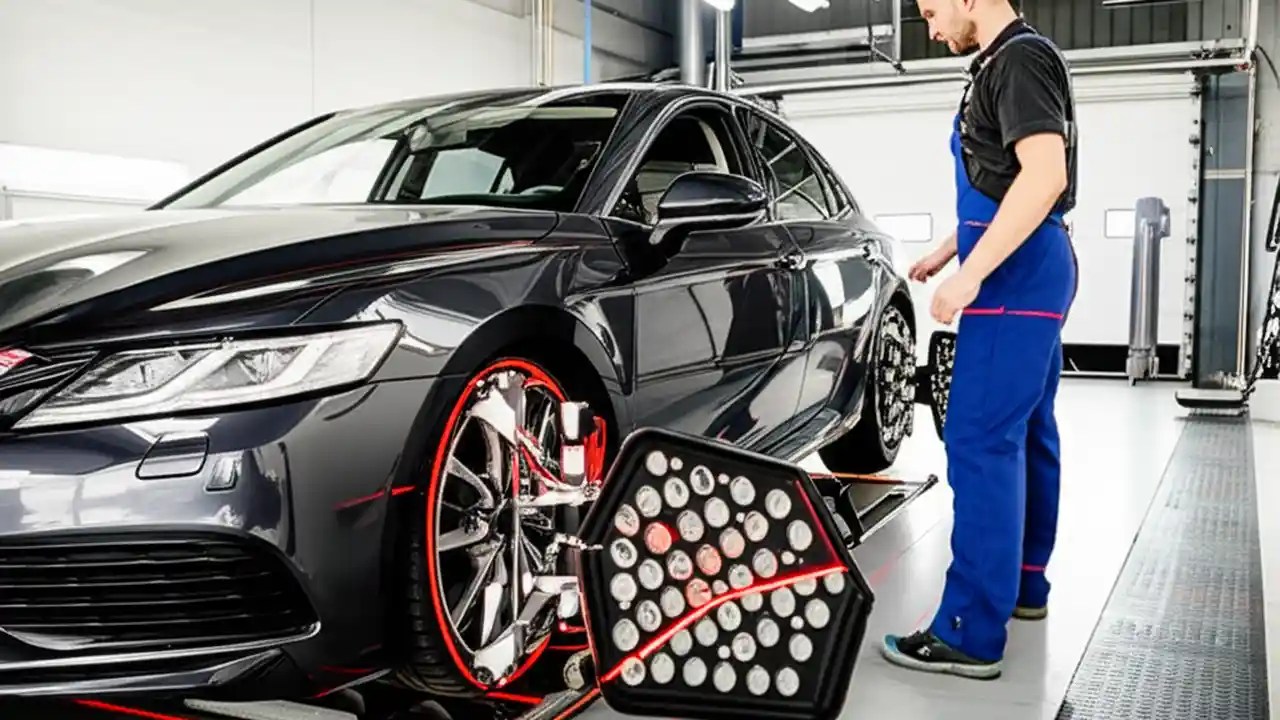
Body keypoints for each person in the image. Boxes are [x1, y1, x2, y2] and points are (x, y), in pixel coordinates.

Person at [879, 1, 1079, 681]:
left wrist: (972, 274)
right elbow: (1004, 179)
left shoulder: (1018, 57)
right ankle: (1024, 585)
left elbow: (1045, 176)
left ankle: (968, 630)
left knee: (978, 438)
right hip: (1032, 266)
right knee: (1024, 433)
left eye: (932, 10)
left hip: (1015, 277)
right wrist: (948, 247)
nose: (931, 29)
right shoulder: (1003, 61)